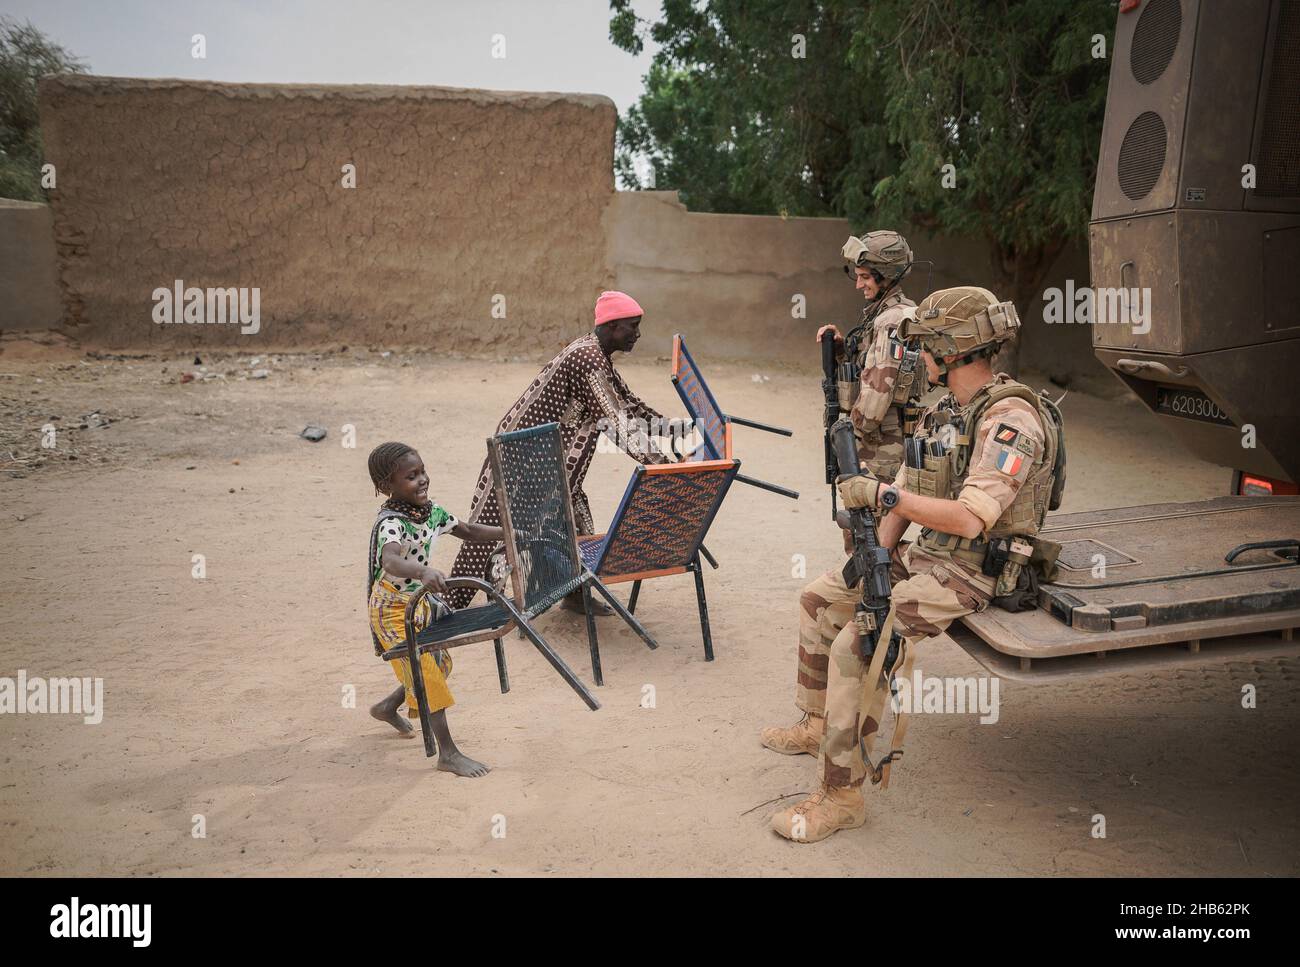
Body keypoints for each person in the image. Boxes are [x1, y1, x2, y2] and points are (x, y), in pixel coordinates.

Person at [763, 286, 1063, 842]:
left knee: (860, 643)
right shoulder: (945, 411)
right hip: (925, 555)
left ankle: (841, 794)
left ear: (953, 349)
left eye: (925, 345)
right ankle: (816, 721)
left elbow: (973, 517)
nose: (917, 356)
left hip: (973, 570)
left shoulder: (1010, 421)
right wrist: (872, 557)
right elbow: (906, 485)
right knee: (820, 599)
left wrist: (880, 498)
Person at [759, 230, 924, 759]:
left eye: (866, 275)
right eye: (857, 274)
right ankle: (828, 703)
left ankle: (847, 695)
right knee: (863, 560)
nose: (858, 282)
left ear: (887, 276)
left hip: (880, 460)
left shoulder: (896, 321)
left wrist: (843, 428)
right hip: (879, 459)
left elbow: (874, 407)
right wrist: (842, 347)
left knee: (868, 567)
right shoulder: (883, 318)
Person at [445, 290, 677, 614]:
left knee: (574, 522)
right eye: (632, 326)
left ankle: (573, 593)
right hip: (519, 464)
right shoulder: (587, 359)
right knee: (485, 540)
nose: (638, 334)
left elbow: (629, 405)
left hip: (548, 468)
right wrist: (666, 468)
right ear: (611, 326)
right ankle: (441, 613)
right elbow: (617, 424)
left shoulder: (597, 355)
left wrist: (679, 430)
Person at [366, 442, 504, 778]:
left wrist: (509, 533)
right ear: (388, 486)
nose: (422, 480)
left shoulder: (432, 512)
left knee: (437, 665)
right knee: (425, 674)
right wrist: (423, 571)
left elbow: (468, 531)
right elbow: (392, 560)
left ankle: (387, 707)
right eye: (411, 477)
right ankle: (449, 754)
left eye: (422, 471)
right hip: (392, 611)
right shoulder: (392, 524)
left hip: (418, 604)